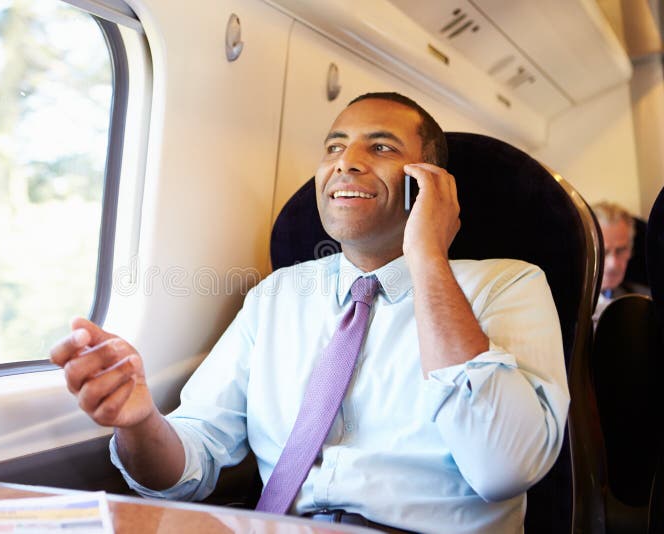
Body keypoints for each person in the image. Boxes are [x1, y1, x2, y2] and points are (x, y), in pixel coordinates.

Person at [50, 92, 569, 533]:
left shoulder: (507, 285)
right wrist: (139, 421)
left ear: (430, 182)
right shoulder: (277, 296)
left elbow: (502, 466)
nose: (346, 162)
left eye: (381, 147)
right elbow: (192, 462)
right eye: (334, 147)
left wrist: (429, 256)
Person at [591, 201, 650, 326]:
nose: (613, 264)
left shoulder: (648, 302)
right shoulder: (562, 304)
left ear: (631, 250)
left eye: (621, 250)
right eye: (604, 251)